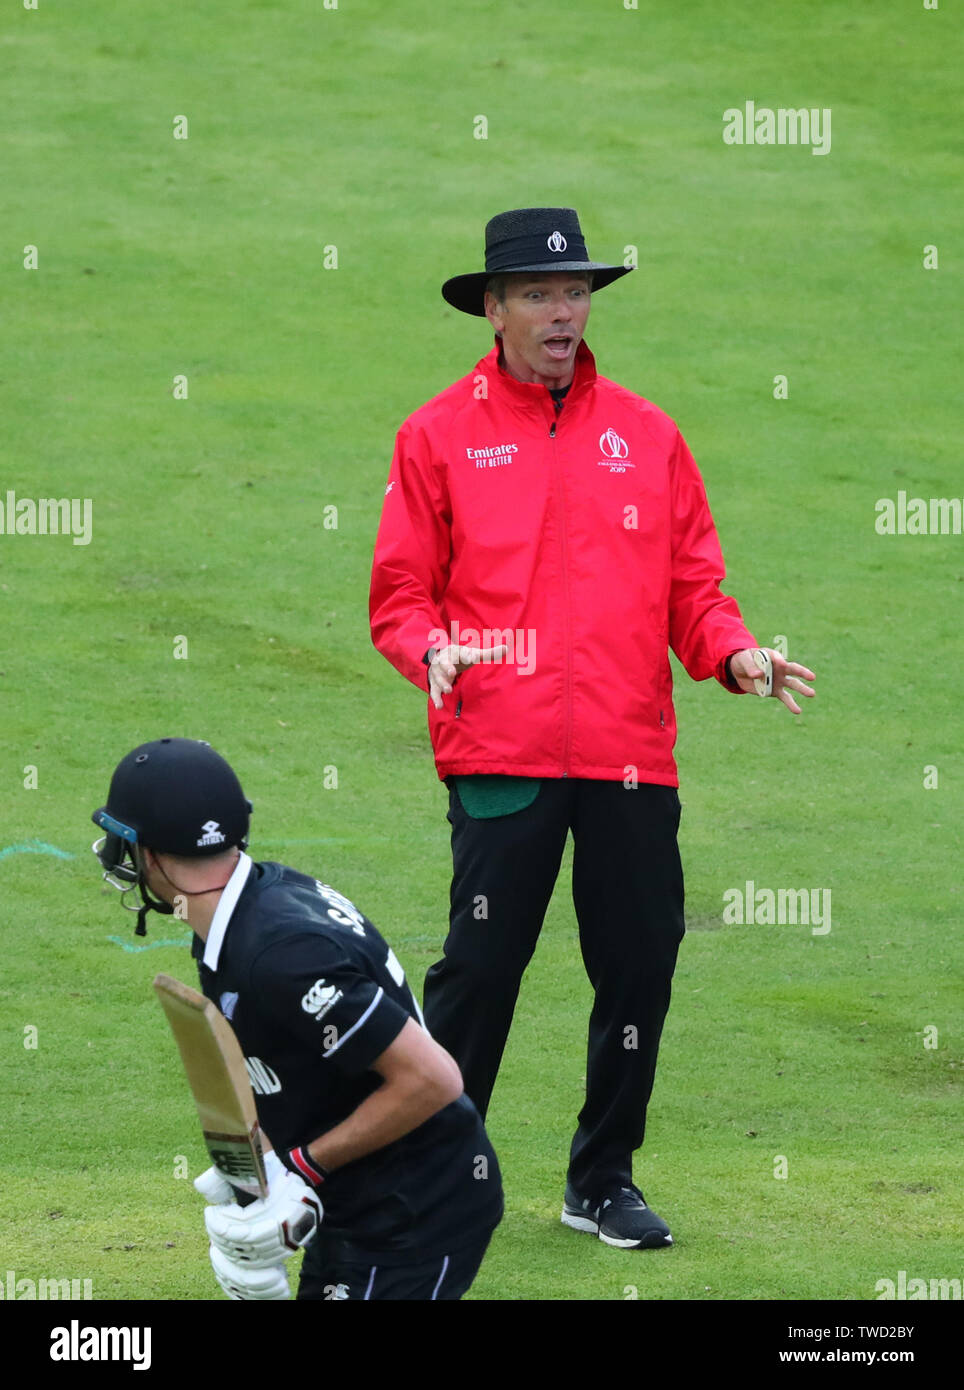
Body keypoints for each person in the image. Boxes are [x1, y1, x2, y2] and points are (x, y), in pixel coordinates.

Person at [369, 207, 816, 1251]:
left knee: (637, 964)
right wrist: (425, 649)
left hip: (626, 754)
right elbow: (399, 593)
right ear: (492, 308)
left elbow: (693, 591)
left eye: (574, 293)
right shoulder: (435, 435)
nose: (562, 311)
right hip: (499, 750)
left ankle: (601, 1177)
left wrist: (734, 653)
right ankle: (440, 1172)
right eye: (537, 293)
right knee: (478, 973)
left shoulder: (649, 437)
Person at [91, 737, 503, 1299]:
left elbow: (432, 1079)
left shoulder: (279, 953)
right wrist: (256, 1173)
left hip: (415, 1213)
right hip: (358, 1199)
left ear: (153, 856)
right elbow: (294, 1059)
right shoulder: (239, 912)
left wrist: (303, 1167)